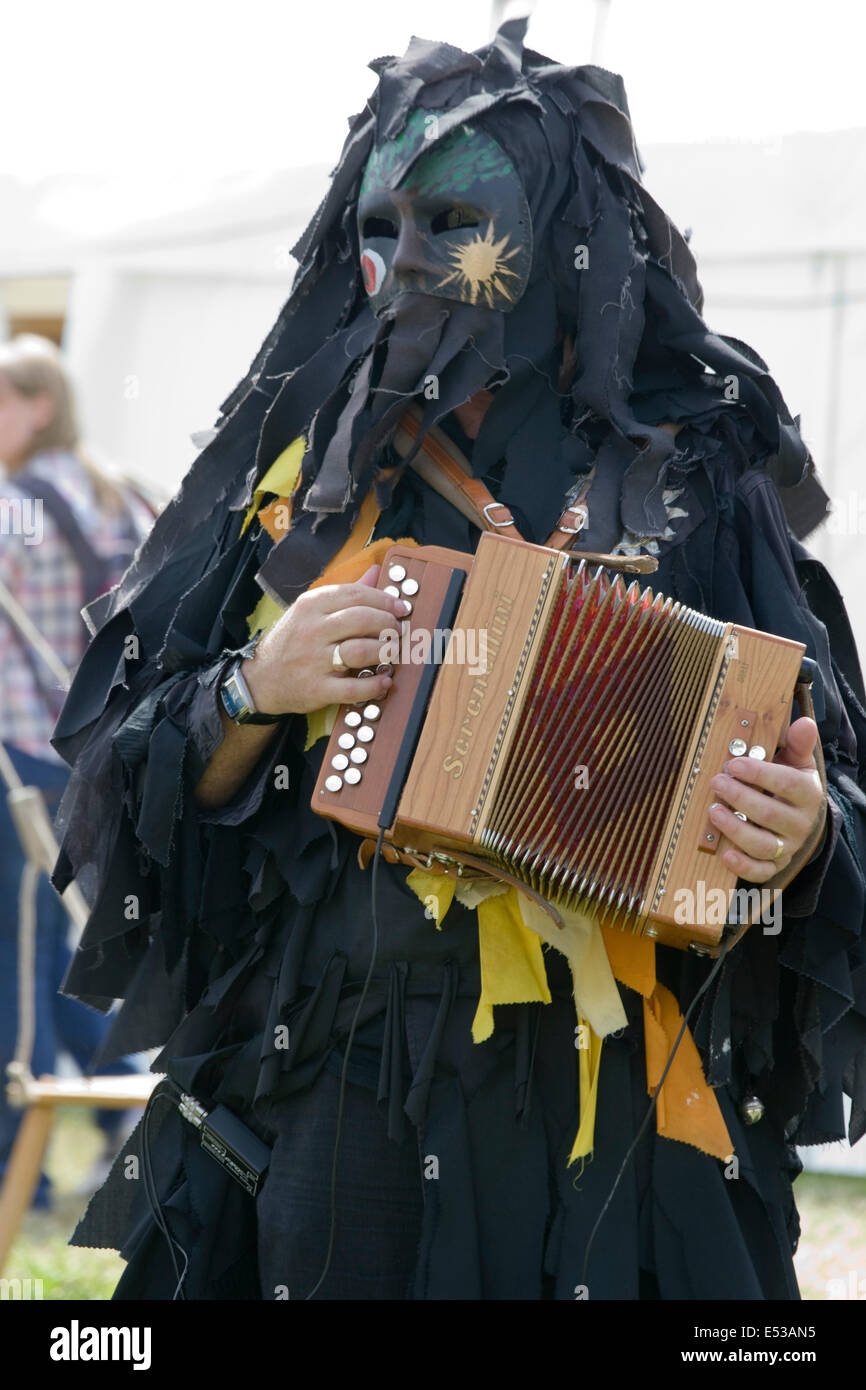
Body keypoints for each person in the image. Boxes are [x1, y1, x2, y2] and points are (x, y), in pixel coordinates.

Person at [51, 22, 865, 1299]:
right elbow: (126, 786)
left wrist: (803, 833)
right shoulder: (298, 483)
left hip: (621, 1104)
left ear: (555, 234)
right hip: (342, 1075)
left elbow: (832, 790)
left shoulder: (695, 482)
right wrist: (252, 689)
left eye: (450, 223)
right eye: (378, 229)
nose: (402, 263)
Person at [0, 335, 153, 1206]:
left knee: (18, 954)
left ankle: (20, 1144)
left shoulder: (16, 501)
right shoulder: (123, 492)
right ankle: (116, 1116)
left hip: (25, 754)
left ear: (39, 406)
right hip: (109, 756)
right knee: (82, 943)